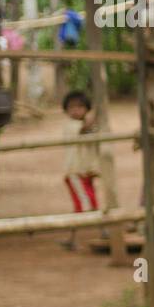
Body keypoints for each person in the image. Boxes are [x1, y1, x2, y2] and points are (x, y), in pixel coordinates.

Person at [61, 90, 101, 250]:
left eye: (80, 107)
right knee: (85, 205)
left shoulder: (90, 126)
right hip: (75, 173)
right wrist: (98, 110)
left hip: (86, 173)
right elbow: (85, 129)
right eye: (71, 107)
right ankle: (99, 231)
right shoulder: (71, 126)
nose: (75, 110)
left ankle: (74, 238)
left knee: (89, 204)